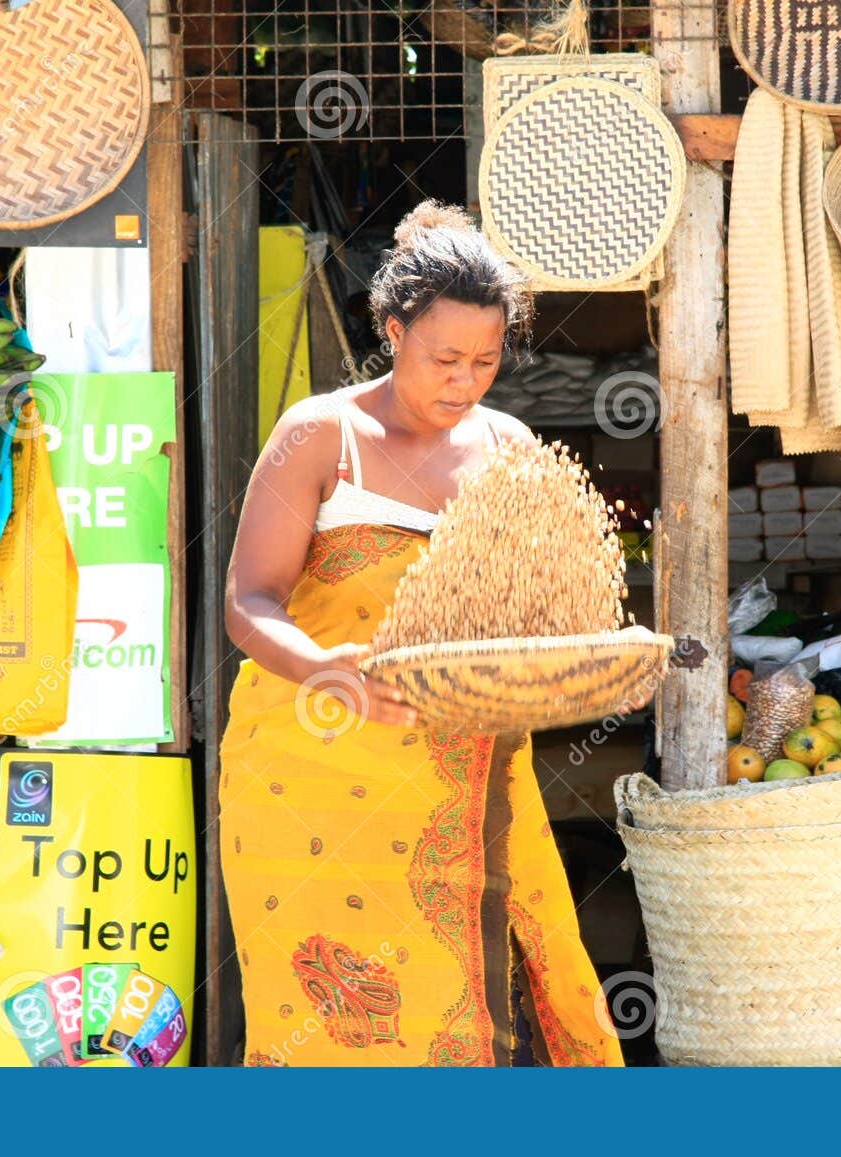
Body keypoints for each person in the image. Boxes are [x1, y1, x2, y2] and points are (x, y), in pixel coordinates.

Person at [219, 201, 623, 1067]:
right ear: (392, 329)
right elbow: (248, 600)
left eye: (484, 360)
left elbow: (533, 616)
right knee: (326, 1013)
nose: (464, 380)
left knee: (460, 1001)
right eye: (444, 358)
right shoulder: (322, 433)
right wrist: (324, 667)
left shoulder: (511, 449)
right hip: (307, 772)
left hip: (460, 779)